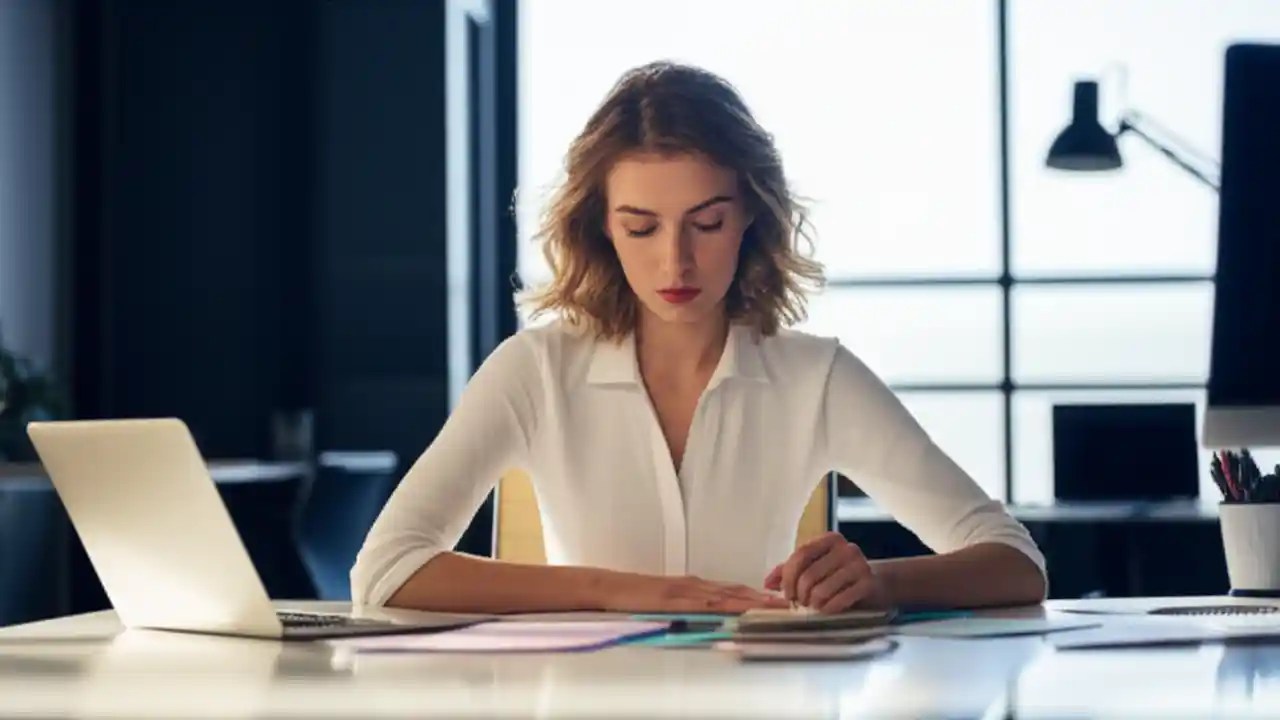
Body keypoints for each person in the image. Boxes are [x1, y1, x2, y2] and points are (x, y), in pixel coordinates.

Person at [350, 61, 1046, 615]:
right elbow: (386, 568)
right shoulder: (535, 370)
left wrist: (879, 583)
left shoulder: (817, 377)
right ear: (601, 228)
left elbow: (1015, 562)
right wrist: (614, 590)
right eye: (641, 227)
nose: (675, 263)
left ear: (750, 216)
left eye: (706, 223)